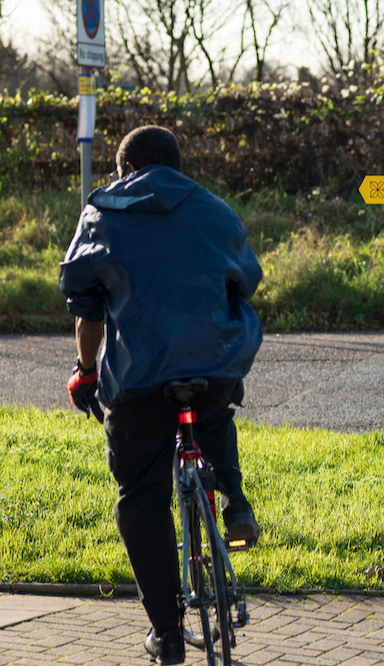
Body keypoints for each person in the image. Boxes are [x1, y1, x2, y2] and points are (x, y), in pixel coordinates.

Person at [59, 125, 263, 666]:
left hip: (141, 378)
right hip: (215, 362)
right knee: (215, 406)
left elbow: (88, 309)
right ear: (178, 165)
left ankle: (168, 634)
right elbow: (246, 279)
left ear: (124, 169)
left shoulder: (102, 211)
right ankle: (236, 502)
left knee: (141, 499)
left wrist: (84, 372)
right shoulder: (215, 209)